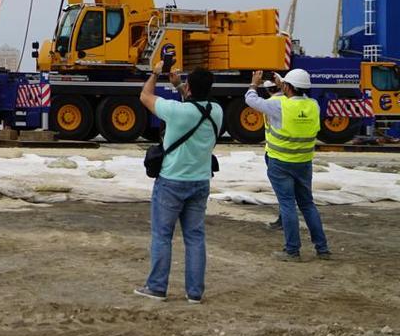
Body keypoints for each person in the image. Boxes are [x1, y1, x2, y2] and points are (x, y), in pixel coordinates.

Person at [134, 62, 223, 303]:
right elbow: (197, 106)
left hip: (171, 182)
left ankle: (157, 287)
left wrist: (155, 73)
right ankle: (195, 293)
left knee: (163, 235)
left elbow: (145, 96)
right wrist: (178, 85)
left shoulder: (175, 111)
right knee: (195, 237)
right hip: (200, 180)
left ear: (190, 88)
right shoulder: (216, 111)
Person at [245, 69, 331, 261]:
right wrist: (283, 82)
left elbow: (250, 100)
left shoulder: (278, 104)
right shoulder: (313, 105)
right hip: (303, 163)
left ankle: (292, 250)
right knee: (308, 204)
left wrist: (254, 83)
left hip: (280, 163)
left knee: (287, 205)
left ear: (287, 87)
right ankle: (322, 248)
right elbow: (296, 97)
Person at [258, 78, 284, 230]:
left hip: (273, 151)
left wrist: (254, 84)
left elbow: (251, 98)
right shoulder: (289, 103)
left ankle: (283, 220)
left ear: (268, 90)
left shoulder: (268, 104)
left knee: (283, 193)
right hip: (290, 152)